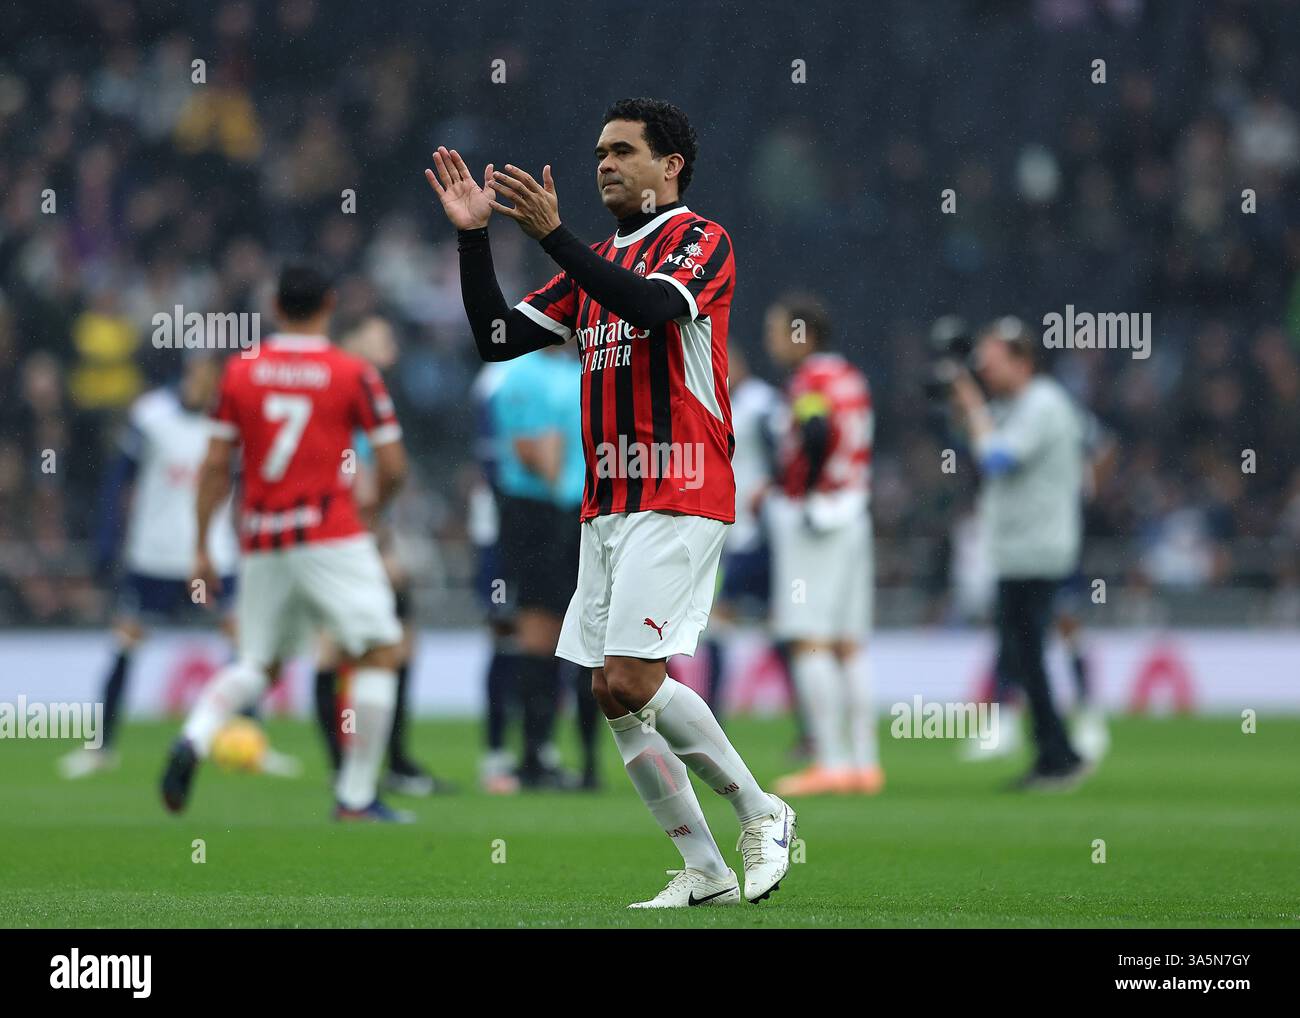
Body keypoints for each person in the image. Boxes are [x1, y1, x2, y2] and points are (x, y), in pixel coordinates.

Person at [427, 97, 796, 908]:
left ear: (671, 167)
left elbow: (656, 308)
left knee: (631, 676)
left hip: (680, 482)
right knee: (606, 691)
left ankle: (762, 809)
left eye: (623, 150)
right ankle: (704, 869)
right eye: (599, 150)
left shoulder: (701, 240)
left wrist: (553, 238)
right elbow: (494, 336)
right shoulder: (590, 266)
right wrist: (471, 235)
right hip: (607, 502)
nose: (604, 164)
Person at [160, 263, 413, 821]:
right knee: (380, 652)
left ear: (275, 308)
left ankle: (194, 738)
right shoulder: (353, 373)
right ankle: (356, 796)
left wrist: (202, 546)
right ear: (330, 303)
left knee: (260, 663)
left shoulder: (239, 373)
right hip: (331, 532)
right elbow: (393, 465)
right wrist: (374, 507)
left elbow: (214, 467)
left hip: (263, 539)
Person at [60, 357, 245, 777]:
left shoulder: (230, 420)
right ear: (186, 373)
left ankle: (249, 739)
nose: (204, 383)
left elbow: (244, 482)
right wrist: (107, 542)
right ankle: (100, 747)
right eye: (199, 373)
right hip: (155, 554)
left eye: (212, 376)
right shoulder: (151, 416)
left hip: (213, 553)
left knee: (241, 645)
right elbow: (116, 481)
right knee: (126, 642)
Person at [312, 315, 451, 796]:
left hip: (363, 534)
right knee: (343, 646)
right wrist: (369, 535)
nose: (390, 341)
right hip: (348, 536)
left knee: (386, 643)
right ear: (355, 345)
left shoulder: (368, 394)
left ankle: (380, 763)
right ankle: (363, 766)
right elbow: (348, 471)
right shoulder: (346, 392)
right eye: (380, 335)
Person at [950, 316, 1090, 790]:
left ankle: (1058, 755)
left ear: (1021, 360)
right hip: (1020, 550)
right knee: (1022, 654)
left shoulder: (1042, 403)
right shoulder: (1019, 405)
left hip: (1037, 549)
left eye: (992, 362)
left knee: (1026, 653)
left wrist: (971, 407)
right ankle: (1056, 750)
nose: (984, 373)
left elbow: (996, 458)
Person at [761, 295, 883, 796]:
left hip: (819, 516)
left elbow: (814, 430)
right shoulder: (850, 377)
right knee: (848, 644)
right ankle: (863, 763)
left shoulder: (810, 381)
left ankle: (830, 761)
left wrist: (800, 487)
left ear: (801, 335)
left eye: (776, 331)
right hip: (855, 510)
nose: (771, 342)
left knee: (808, 638)